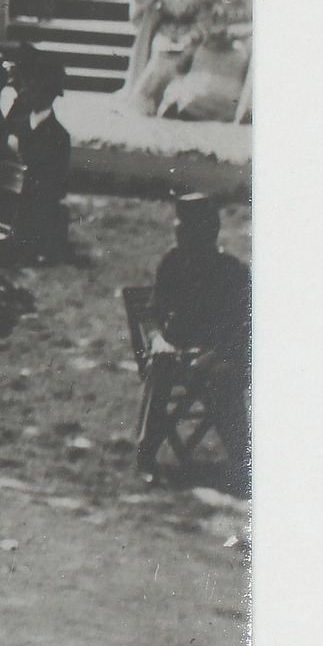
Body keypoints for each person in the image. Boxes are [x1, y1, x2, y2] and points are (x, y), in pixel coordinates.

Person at [143, 193, 250, 472]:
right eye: (178, 226)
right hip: (176, 352)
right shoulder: (173, 263)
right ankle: (147, 456)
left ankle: (242, 459)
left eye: (185, 227)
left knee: (223, 376)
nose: (177, 232)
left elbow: (244, 328)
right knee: (161, 365)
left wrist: (213, 355)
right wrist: (158, 340)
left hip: (220, 355)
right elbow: (152, 313)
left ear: (206, 231)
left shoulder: (232, 271)